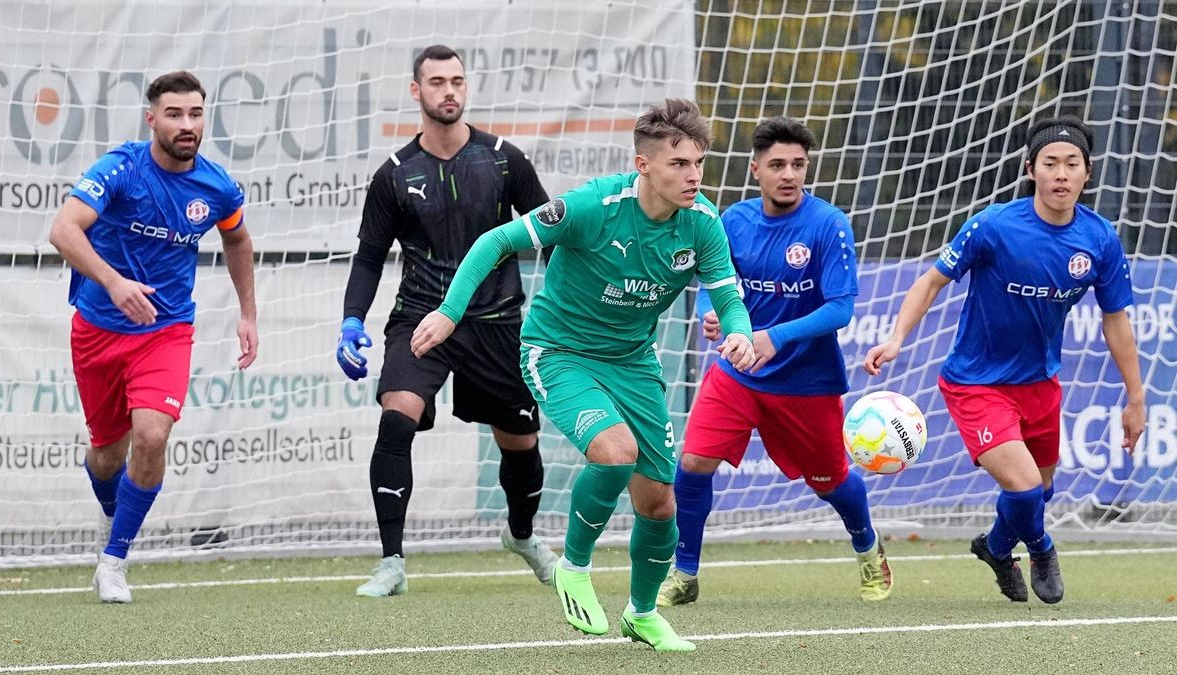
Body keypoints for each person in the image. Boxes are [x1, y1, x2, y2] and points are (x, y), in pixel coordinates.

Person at [412, 98, 756, 652]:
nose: (693, 176)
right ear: (644, 166)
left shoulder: (703, 223)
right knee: (615, 452)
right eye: (678, 164)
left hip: (633, 363)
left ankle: (641, 613)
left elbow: (727, 294)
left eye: (698, 163)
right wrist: (450, 313)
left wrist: (737, 331)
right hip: (558, 352)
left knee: (659, 502)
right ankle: (573, 567)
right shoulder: (594, 206)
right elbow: (495, 241)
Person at [864, 115, 1145, 604]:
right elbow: (931, 281)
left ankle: (995, 547)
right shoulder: (994, 225)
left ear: (1087, 172)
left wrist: (1135, 397)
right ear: (1030, 169)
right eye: (1051, 163)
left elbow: (1115, 319)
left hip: (1040, 384)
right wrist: (896, 337)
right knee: (1025, 488)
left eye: (1071, 164)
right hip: (975, 382)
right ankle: (1041, 546)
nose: (1061, 174)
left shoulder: (1099, 240)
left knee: (1042, 489)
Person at [335, 44, 556, 598]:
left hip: (499, 321)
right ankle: (392, 562)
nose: (449, 91)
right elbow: (367, 257)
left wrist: (565, 313)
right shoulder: (393, 175)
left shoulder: (506, 160)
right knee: (396, 419)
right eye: (437, 82)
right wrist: (350, 321)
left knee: (521, 443)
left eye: (457, 80)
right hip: (422, 318)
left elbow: (555, 237)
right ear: (417, 92)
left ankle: (523, 536)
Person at [656, 116, 892, 608]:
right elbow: (712, 287)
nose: (789, 174)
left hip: (807, 381)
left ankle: (867, 544)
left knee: (829, 480)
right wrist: (711, 317)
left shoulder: (828, 225)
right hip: (738, 372)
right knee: (694, 462)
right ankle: (684, 572)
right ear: (756, 168)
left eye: (798, 165)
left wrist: (774, 338)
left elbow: (841, 309)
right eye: (778, 164)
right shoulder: (733, 222)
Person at [48, 71, 258, 603]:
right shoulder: (119, 169)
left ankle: (114, 560)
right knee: (106, 456)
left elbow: (237, 239)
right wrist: (114, 283)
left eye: (195, 114)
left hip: (165, 330)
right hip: (97, 329)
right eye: (174, 114)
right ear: (152, 119)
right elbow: (63, 229)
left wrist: (248, 313)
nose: (186, 125)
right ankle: (113, 514)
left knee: (152, 437)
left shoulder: (216, 185)